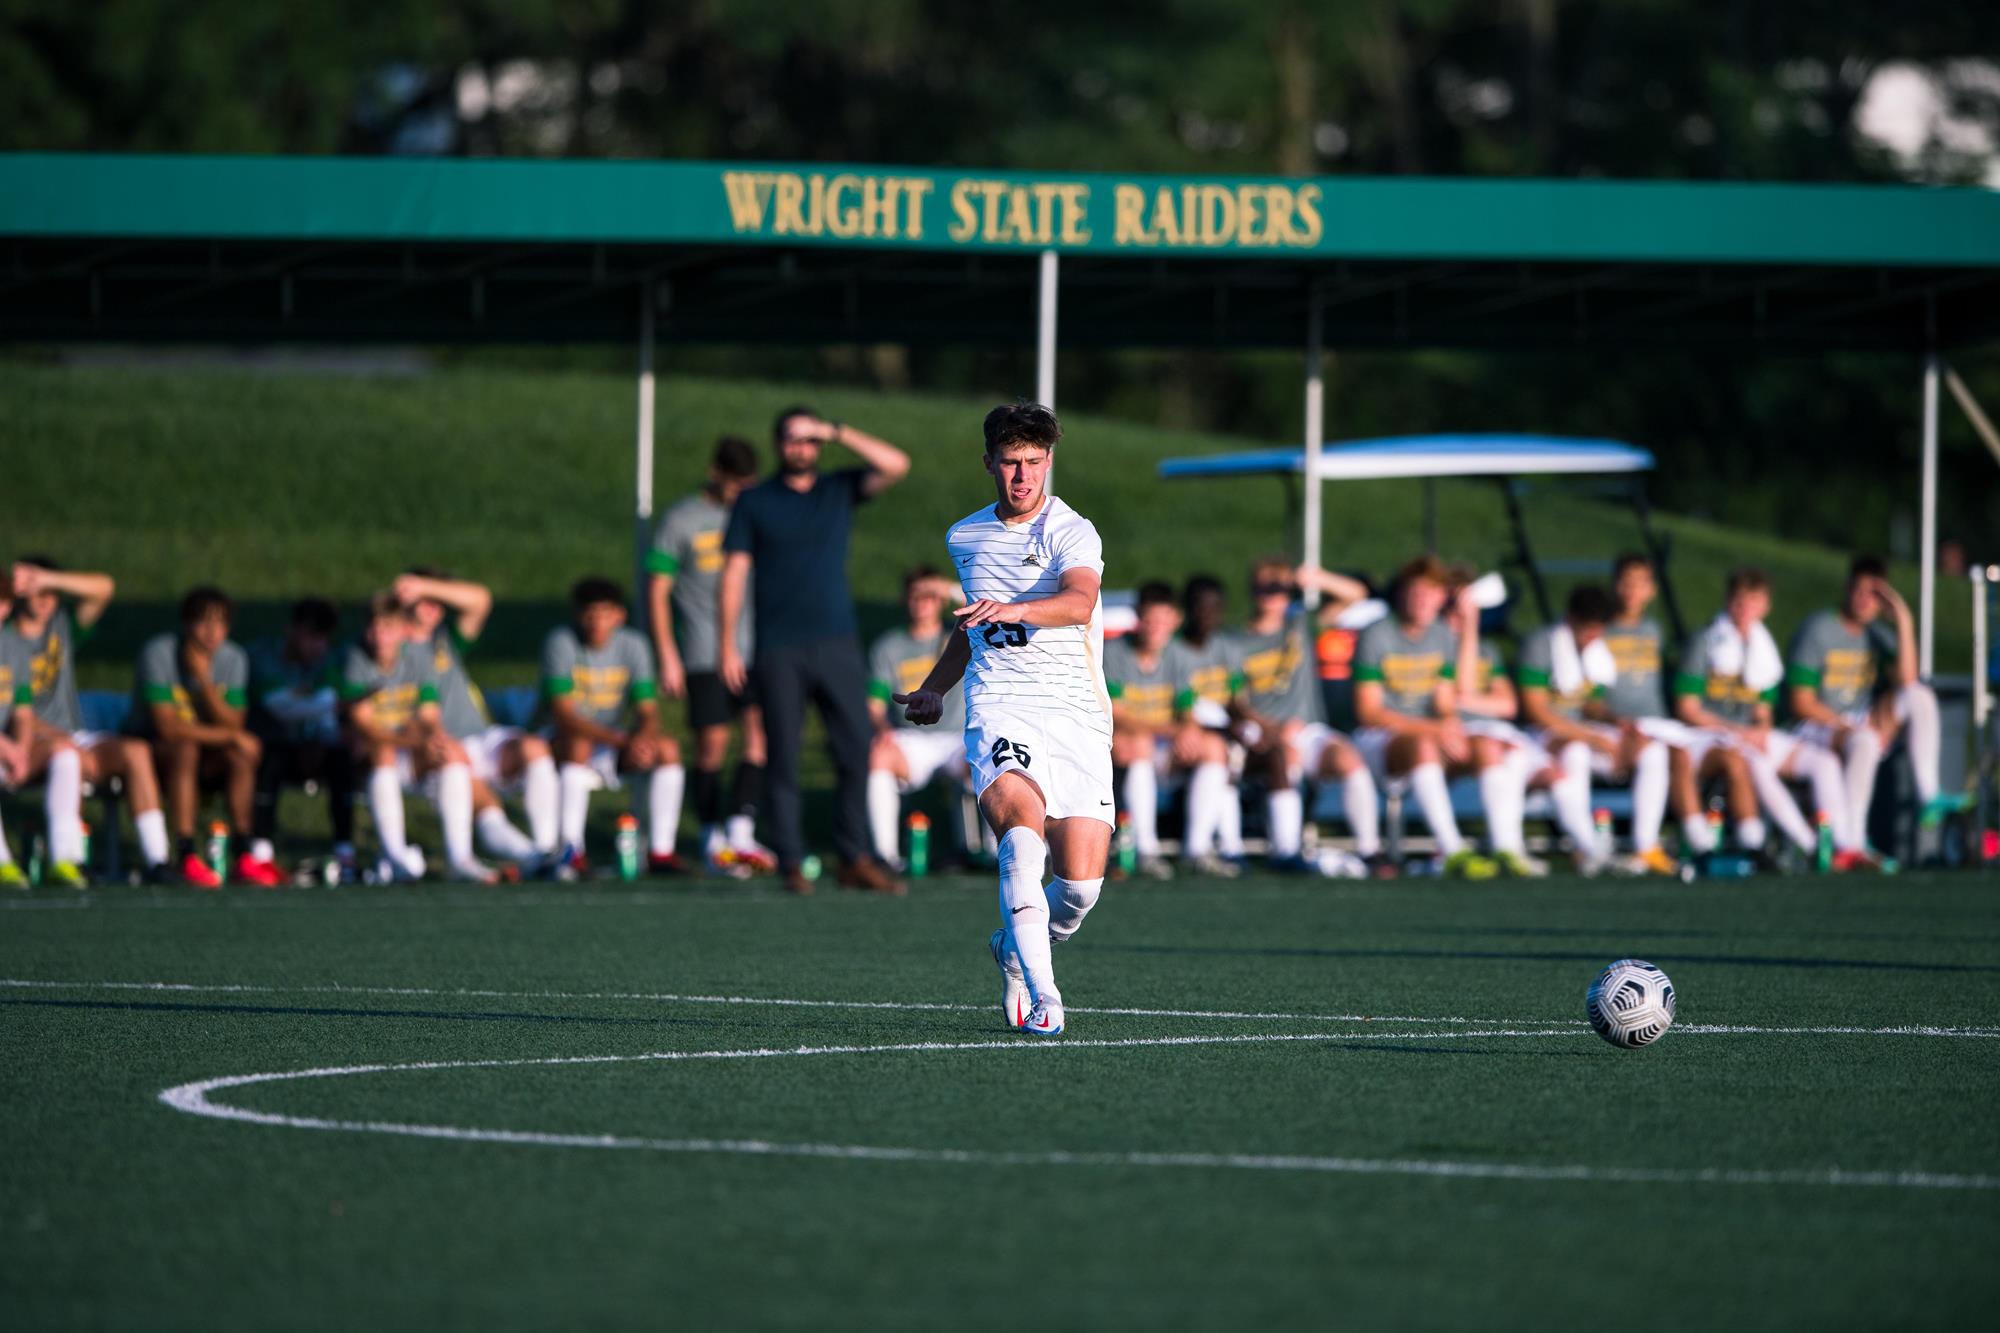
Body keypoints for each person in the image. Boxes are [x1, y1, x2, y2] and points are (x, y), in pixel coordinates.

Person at [897, 401, 1112, 1037]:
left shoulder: (1073, 532)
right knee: (1021, 839)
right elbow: (973, 629)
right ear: (990, 462)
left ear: (1049, 463)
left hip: (1076, 713)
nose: (1023, 476)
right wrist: (936, 689)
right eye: (1012, 462)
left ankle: (1014, 947)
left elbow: (1078, 604)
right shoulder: (965, 536)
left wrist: (1010, 610)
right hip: (1001, 704)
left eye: (1035, 462)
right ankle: (1046, 996)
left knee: (1079, 892)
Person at [719, 407, 909, 895]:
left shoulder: (837, 489)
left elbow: (896, 464)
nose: (800, 448)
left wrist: (836, 430)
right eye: (791, 439)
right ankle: (789, 860)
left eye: (808, 441)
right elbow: (734, 574)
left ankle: (854, 857)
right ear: (777, 444)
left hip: (836, 642)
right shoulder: (754, 501)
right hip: (778, 647)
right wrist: (727, 645)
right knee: (782, 754)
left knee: (854, 750)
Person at [1675, 566, 1866, 869]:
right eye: (1739, 601)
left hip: (1747, 734)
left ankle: (1845, 844)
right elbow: (1688, 708)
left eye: (1753, 602)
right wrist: (1740, 731)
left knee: (1824, 762)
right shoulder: (1706, 641)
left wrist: (1761, 730)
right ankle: (1810, 845)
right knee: (1758, 764)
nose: (1745, 609)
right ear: (1727, 601)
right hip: (1711, 735)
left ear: (1765, 606)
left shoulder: (1763, 647)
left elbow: (1763, 711)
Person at [648, 437, 775, 875]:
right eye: (734, 483)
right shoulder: (682, 519)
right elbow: (658, 591)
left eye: (748, 484)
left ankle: (741, 829)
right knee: (712, 744)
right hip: (703, 651)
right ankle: (708, 835)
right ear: (715, 473)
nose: (740, 492)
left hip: (755, 649)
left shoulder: (755, 514)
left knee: (759, 736)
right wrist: (667, 652)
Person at [7, 557, 171, 886]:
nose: (43, 601)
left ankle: (158, 860)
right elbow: (16, 711)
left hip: (70, 736)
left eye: (50, 594)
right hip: (25, 742)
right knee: (65, 754)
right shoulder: (6, 640)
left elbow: (104, 589)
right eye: (36, 593)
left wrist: (49, 578)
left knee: (136, 751)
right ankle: (68, 859)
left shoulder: (61, 628)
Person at [1229, 558, 1387, 874]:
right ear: (1253, 592)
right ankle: (1285, 852)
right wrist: (1271, 728)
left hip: (1307, 729)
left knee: (1348, 759)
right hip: (1262, 735)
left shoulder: (1300, 625)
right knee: (1284, 754)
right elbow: (1234, 702)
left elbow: (1357, 595)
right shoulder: (1235, 642)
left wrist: (1313, 578)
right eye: (1266, 587)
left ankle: (1370, 849)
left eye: (1281, 588)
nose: (1274, 595)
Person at [396, 569, 555, 876]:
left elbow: (480, 601)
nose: (433, 607)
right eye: (424, 601)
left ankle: (546, 848)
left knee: (534, 748)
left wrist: (428, 587)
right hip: (430, 749)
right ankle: (469, 861)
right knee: (470, 781)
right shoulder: (390, 646)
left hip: (479, 739)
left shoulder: (444, 641)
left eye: (438, 601)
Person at [1351, 556, 1502, 879]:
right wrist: (1436, 728)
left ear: (1441, 598)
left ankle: (1506, 848)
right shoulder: (1376, 635)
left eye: (1430, 592)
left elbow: (1446, 701)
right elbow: (1370, 712)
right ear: (1401, 595)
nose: (1422, 600)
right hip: (1379, 741)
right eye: (1415, 592)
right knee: (1423, 746)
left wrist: (1449, 725)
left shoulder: (1442, 636)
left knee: (1488, 747)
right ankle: (1452, 850)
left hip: (1427, 735)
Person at [1787, 556, 1958, 839]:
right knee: (1864, 739)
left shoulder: (1878, 634)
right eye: (1861, 591)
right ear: (1847, 589)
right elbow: (1800, 703)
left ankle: (1929, 796)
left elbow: (1908, 681)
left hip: (1857, 722)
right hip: (1813, 727)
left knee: (1920, 696)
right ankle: (1852, 839)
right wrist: (1846, 725)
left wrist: (1904, 620)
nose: (1867, 601)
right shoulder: (1817, 629)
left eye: (1875, 594)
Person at [1603, 553, 1759, 862]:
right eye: (1626, 583)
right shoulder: (1601, 629)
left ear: (1652, 590)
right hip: (1621, 730)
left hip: (1662, 725)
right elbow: (1589, 698)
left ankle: (1753, 845)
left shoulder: (1654, 631)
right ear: (1615, 585)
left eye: (1640, 583)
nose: (1632, 591)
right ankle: (1696, 844)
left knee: (1734, 759)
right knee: (1673, 754)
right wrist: (1617, 720)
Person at [126, 586, 282, 888]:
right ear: (186, 623)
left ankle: (243, 851)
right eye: (203, 622)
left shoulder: (233, 658)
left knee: (240, 755)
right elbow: (167, 727)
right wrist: (231, 736)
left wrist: (204, 682)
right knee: (187, 748)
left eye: (220, 623)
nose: (212, 633)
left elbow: (233, 722)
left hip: (206, 749)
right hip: (155, 749)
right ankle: (185, 851)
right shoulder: (159, 653)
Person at [1516, 585, 1678, 876]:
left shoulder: (1596, 650)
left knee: (1652, 749)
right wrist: (1592, 738)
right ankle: (1587, 849)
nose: (1593, 634)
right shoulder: (1541, 644)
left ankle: (1646, 846)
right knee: (1575, 751)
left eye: (1598, 628)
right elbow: (1536, 711)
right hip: (1543, 737)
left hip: (1584, 731)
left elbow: (1591, 705)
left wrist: (1618, 723)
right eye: (1587, 627)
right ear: (1571, 620)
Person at [541, 577, 686, 875]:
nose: (597, 622)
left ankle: (661, 852)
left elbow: (648, 709)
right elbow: (565, 716)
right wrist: (622, 742)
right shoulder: (561, 643)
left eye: (606, 614)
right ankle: (572, 851)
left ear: (619, 615)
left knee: (668, 750)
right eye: (590, 614)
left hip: (612, 743)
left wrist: (641, 741)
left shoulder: (634, 645)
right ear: (578, 615)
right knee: (579, 744)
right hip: (563, 742)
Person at [336, 592, 456, 881]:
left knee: (449, 753)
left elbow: (429, 717)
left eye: (387, 628)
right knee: (383, 750)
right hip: (357, 759)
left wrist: (427, 737)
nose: (379, 637)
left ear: (403, 629)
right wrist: (414, 741)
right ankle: (395, 853)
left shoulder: (419, 657)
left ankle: (459, 857)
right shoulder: (356, 660)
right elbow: (366, 729)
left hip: (402, 750)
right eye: (373, 628)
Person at [865, 566, 970, 871]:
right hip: (912, 739)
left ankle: (992, 853)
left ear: (940, 600)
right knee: (879, 754)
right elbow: (874, 703)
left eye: (930, 596)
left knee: (990, 756)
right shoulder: (889, 646)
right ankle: (885, 856)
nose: (922, 603)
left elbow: (993, 605)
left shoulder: (962, 635)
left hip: (959, 737)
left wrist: (948, 588)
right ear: (905, 601)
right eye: (916, 596)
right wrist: (882, 729)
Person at [1442, 579, 1545, 876]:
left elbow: (1508, 705)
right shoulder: (1442, 646)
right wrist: (1470, 626)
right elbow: (1459, 691)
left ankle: (1512, 849)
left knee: (1555, 770)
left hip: (1499, 733)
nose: (1458, 618)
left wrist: (1468, 699)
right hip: (1460, 740)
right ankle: (1506, 847)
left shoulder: (1487, 650)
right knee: (1498, 751)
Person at [248, 597, 355, 874]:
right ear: (290, 630)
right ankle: (260, 851)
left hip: (313, 747)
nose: (317, 646)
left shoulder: (327, 662)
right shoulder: (264, 657)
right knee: (269, 758)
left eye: (323, 638)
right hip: (270, 747)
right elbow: (281, 707)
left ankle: (345, 851)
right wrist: (326, 704)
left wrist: (324, 713)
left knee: (340, 756)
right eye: (311, 636)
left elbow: (328, 706)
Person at [1102, 581, 1186, 880]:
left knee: (1213, 750)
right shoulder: (1113, 652)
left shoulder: (1178, 653)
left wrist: (1187, 730)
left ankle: (1209, 849)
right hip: (1134, 744)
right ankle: (1146, 847)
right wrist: (1168, 730)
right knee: (1138, 744)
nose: (1156, 628)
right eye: (1150, 620)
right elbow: (1117, 712)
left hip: (1166, 744)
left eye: (1164, 620)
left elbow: (1187, 706)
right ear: (1138, 617)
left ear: (1176, 620)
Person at [1173, 574, 1246, 875]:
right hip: (1187, 736)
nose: (1208, 616)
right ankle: (1207, 845)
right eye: (1201, 608)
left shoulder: (1226, 647)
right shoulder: (1175, 651)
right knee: (1223, 752)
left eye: (1215, 609)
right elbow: (1183, 709)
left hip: (1223, 730)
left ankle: (1231, 845)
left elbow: (1238, 701)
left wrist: (1254, 726)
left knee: (1249, 749)